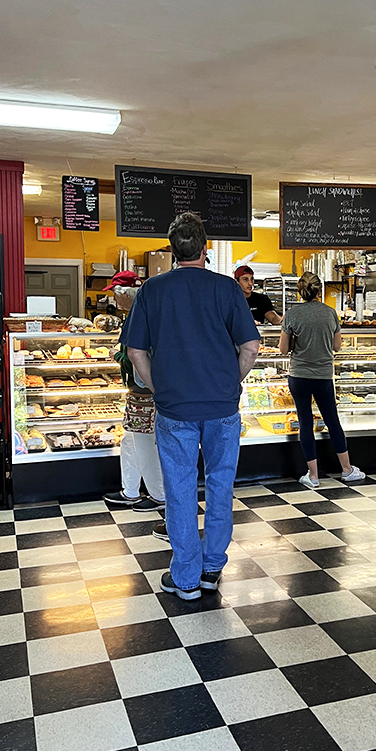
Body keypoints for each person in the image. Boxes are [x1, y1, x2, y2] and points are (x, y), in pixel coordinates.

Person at [123, 212, 260, 600]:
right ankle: (212, 568)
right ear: (205, 248)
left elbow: (135, 351)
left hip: (174, 409)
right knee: (220, 484)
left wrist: (158, 386)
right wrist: (231, 381)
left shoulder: (152, 290)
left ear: (172, 250)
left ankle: (185, 577)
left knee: (180, 489)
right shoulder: (227, 288)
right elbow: (251, 347)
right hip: (222, 408)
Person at [279, 271, 365, 488]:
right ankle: (347, 470)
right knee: (332, 421)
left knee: (305, 422)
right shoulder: (330, 313)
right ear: (319, 290)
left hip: (299, 375)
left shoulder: (292, 314)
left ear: (300, 291)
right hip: (323, 376)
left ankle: (313, 475)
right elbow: (337, 346)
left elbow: (283, 349)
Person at [102, 285, 166, 512]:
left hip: (145, 395)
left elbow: (135, 359)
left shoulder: (143, 319)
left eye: (117, 294)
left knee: (145, 445)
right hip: (140, 394)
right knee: (130, 442)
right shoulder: (146, 316)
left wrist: (116, 355)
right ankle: (130, 490)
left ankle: (159, 495)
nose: (115, 299)